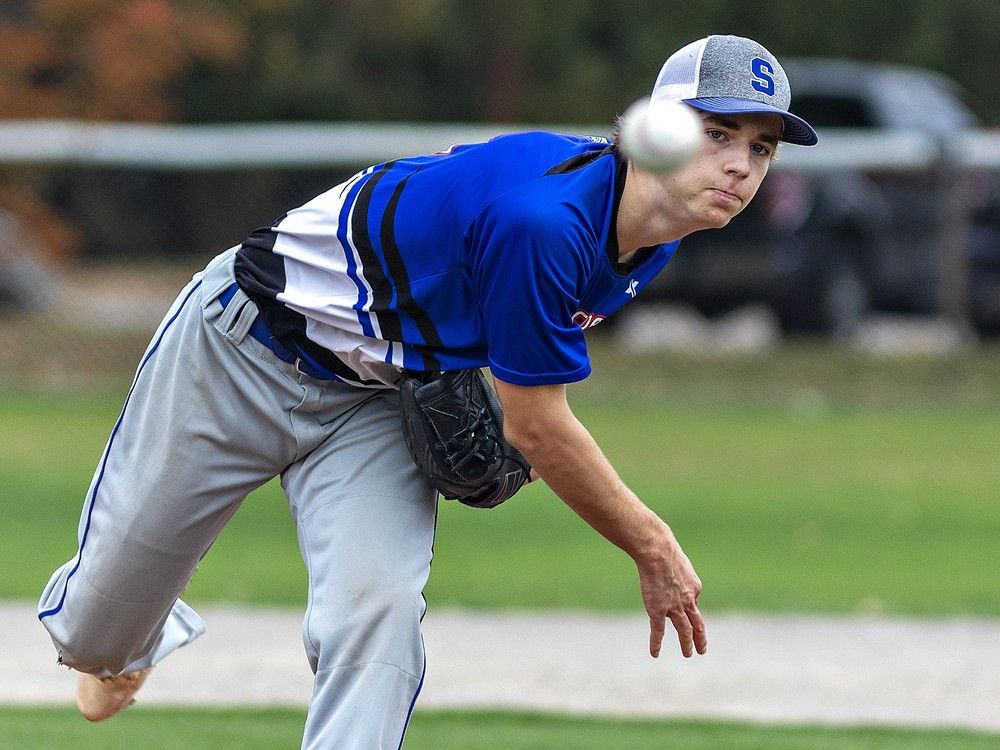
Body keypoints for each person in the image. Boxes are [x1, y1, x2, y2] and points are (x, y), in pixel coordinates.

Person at [38, 34, 817, 748]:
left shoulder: (653, 228)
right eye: (717, 134)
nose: (741, 166)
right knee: (93, 635)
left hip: (374, 400)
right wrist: (653, 546)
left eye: (762, 147)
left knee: (375, 616)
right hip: (240, 349)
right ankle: (125, 644)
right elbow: (537, 428)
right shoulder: (545, 220)